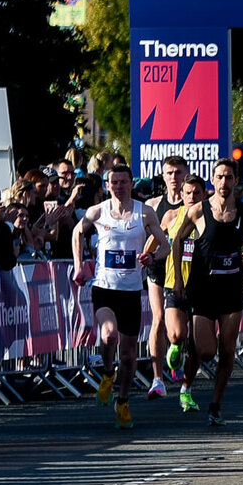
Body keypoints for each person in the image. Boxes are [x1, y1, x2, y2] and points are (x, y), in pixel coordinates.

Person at [74, 161, 163, 429]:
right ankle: (107, 372)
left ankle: (122, 400)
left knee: (128, 355)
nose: (119, 187)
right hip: (104, 287)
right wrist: (79, 265)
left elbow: (165, 244)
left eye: (124, 182)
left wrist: (152, 255)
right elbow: (78, 231)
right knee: (108, 334)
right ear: (107, 185)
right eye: (114, 182)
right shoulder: (98, 211)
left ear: (132, 183)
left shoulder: (144, 212)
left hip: (131, 291)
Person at [168, 159, 243, 425]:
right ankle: (187, 385)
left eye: (228, 177)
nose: (224, 182)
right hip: (203, 288)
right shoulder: (199, 211)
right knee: (204, 349)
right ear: (212, 181)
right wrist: (179, 278)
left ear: (236, 181)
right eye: (219, 177)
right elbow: (178, 240)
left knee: (227, 351)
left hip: (232, 289)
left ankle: (215, 405)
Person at [144, 156, 191, 401]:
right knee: (158, 318)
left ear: (186, 175)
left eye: (178, 172)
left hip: (182, 270)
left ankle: (178, 351)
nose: (174, 177)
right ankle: (157, 379)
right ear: (163, 176)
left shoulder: (193, 205)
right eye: (169, 172)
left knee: (181, 326)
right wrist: (144, 255)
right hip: (158, 268)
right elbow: (147, 239)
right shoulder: (152, 205)